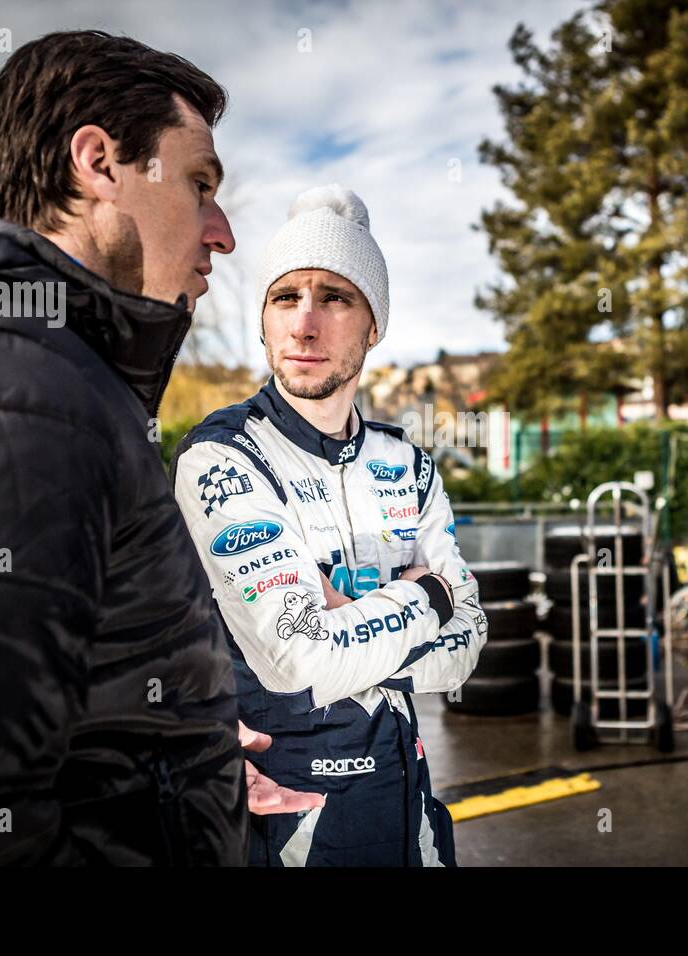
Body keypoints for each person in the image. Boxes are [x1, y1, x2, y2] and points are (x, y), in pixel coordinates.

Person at [0, 30, 319, 865]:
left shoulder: (48, 377)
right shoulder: (7, 392)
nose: (221, 233)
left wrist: (179, 752)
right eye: (199, 184)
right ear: (99, 163)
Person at [171, 184, 487, 866]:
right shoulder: (223, 458)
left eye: (334, 298)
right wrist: (425, 598)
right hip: (295, 822)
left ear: (374, 325)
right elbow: (299, 658)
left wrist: (351, 619)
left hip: (412, 815)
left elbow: (469, 646)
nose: (304, 324)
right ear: (263, 320)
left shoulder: (407, 461)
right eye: (285, 298)